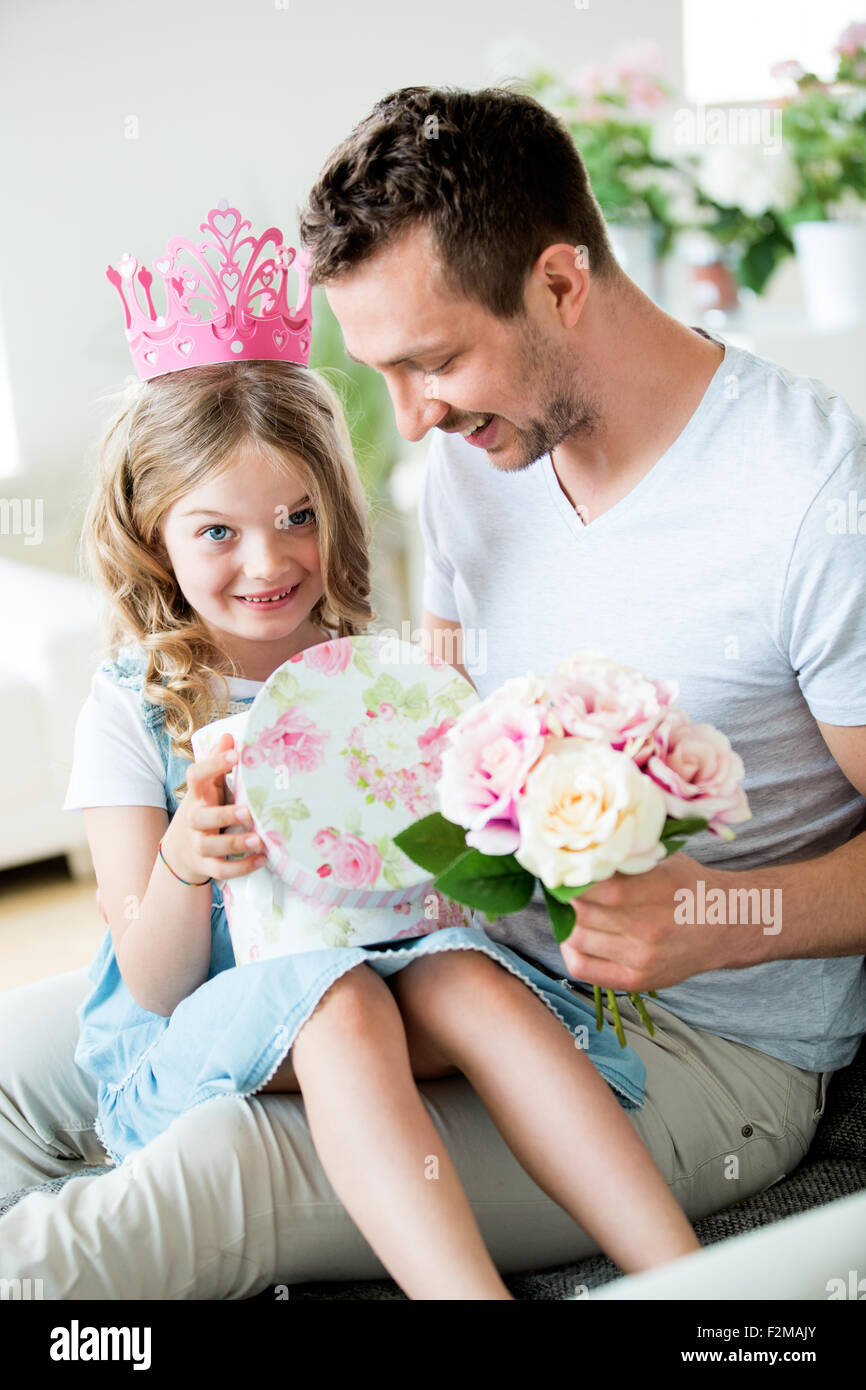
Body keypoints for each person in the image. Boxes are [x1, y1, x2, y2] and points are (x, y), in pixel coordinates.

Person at [0, 85, 862, 1299]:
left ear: (558, 284)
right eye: (382, 373)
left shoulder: (813, 503)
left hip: (691, 1038)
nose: (409, 419)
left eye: (434, 359)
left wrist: (717, 918)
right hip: (435, 951)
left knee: (183, 1193)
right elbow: (430, 743)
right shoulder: (471, 462)